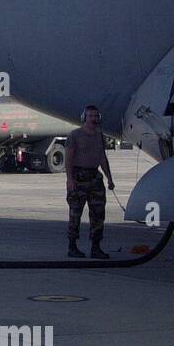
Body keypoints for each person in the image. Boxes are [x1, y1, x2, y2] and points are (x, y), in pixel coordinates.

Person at [64, 105, 115, 260]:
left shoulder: (100, 136)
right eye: (90, 116)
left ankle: (96, 247)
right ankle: (72, 246)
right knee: (75, 213)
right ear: (84, 118)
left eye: (95, 116)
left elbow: (102, 158)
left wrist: (109, 178)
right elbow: (69, 158)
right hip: (79, 176)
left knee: (98, 213)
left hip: (95, 177)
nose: (93, 119)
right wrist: (70, 179)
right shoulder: (75, 135)